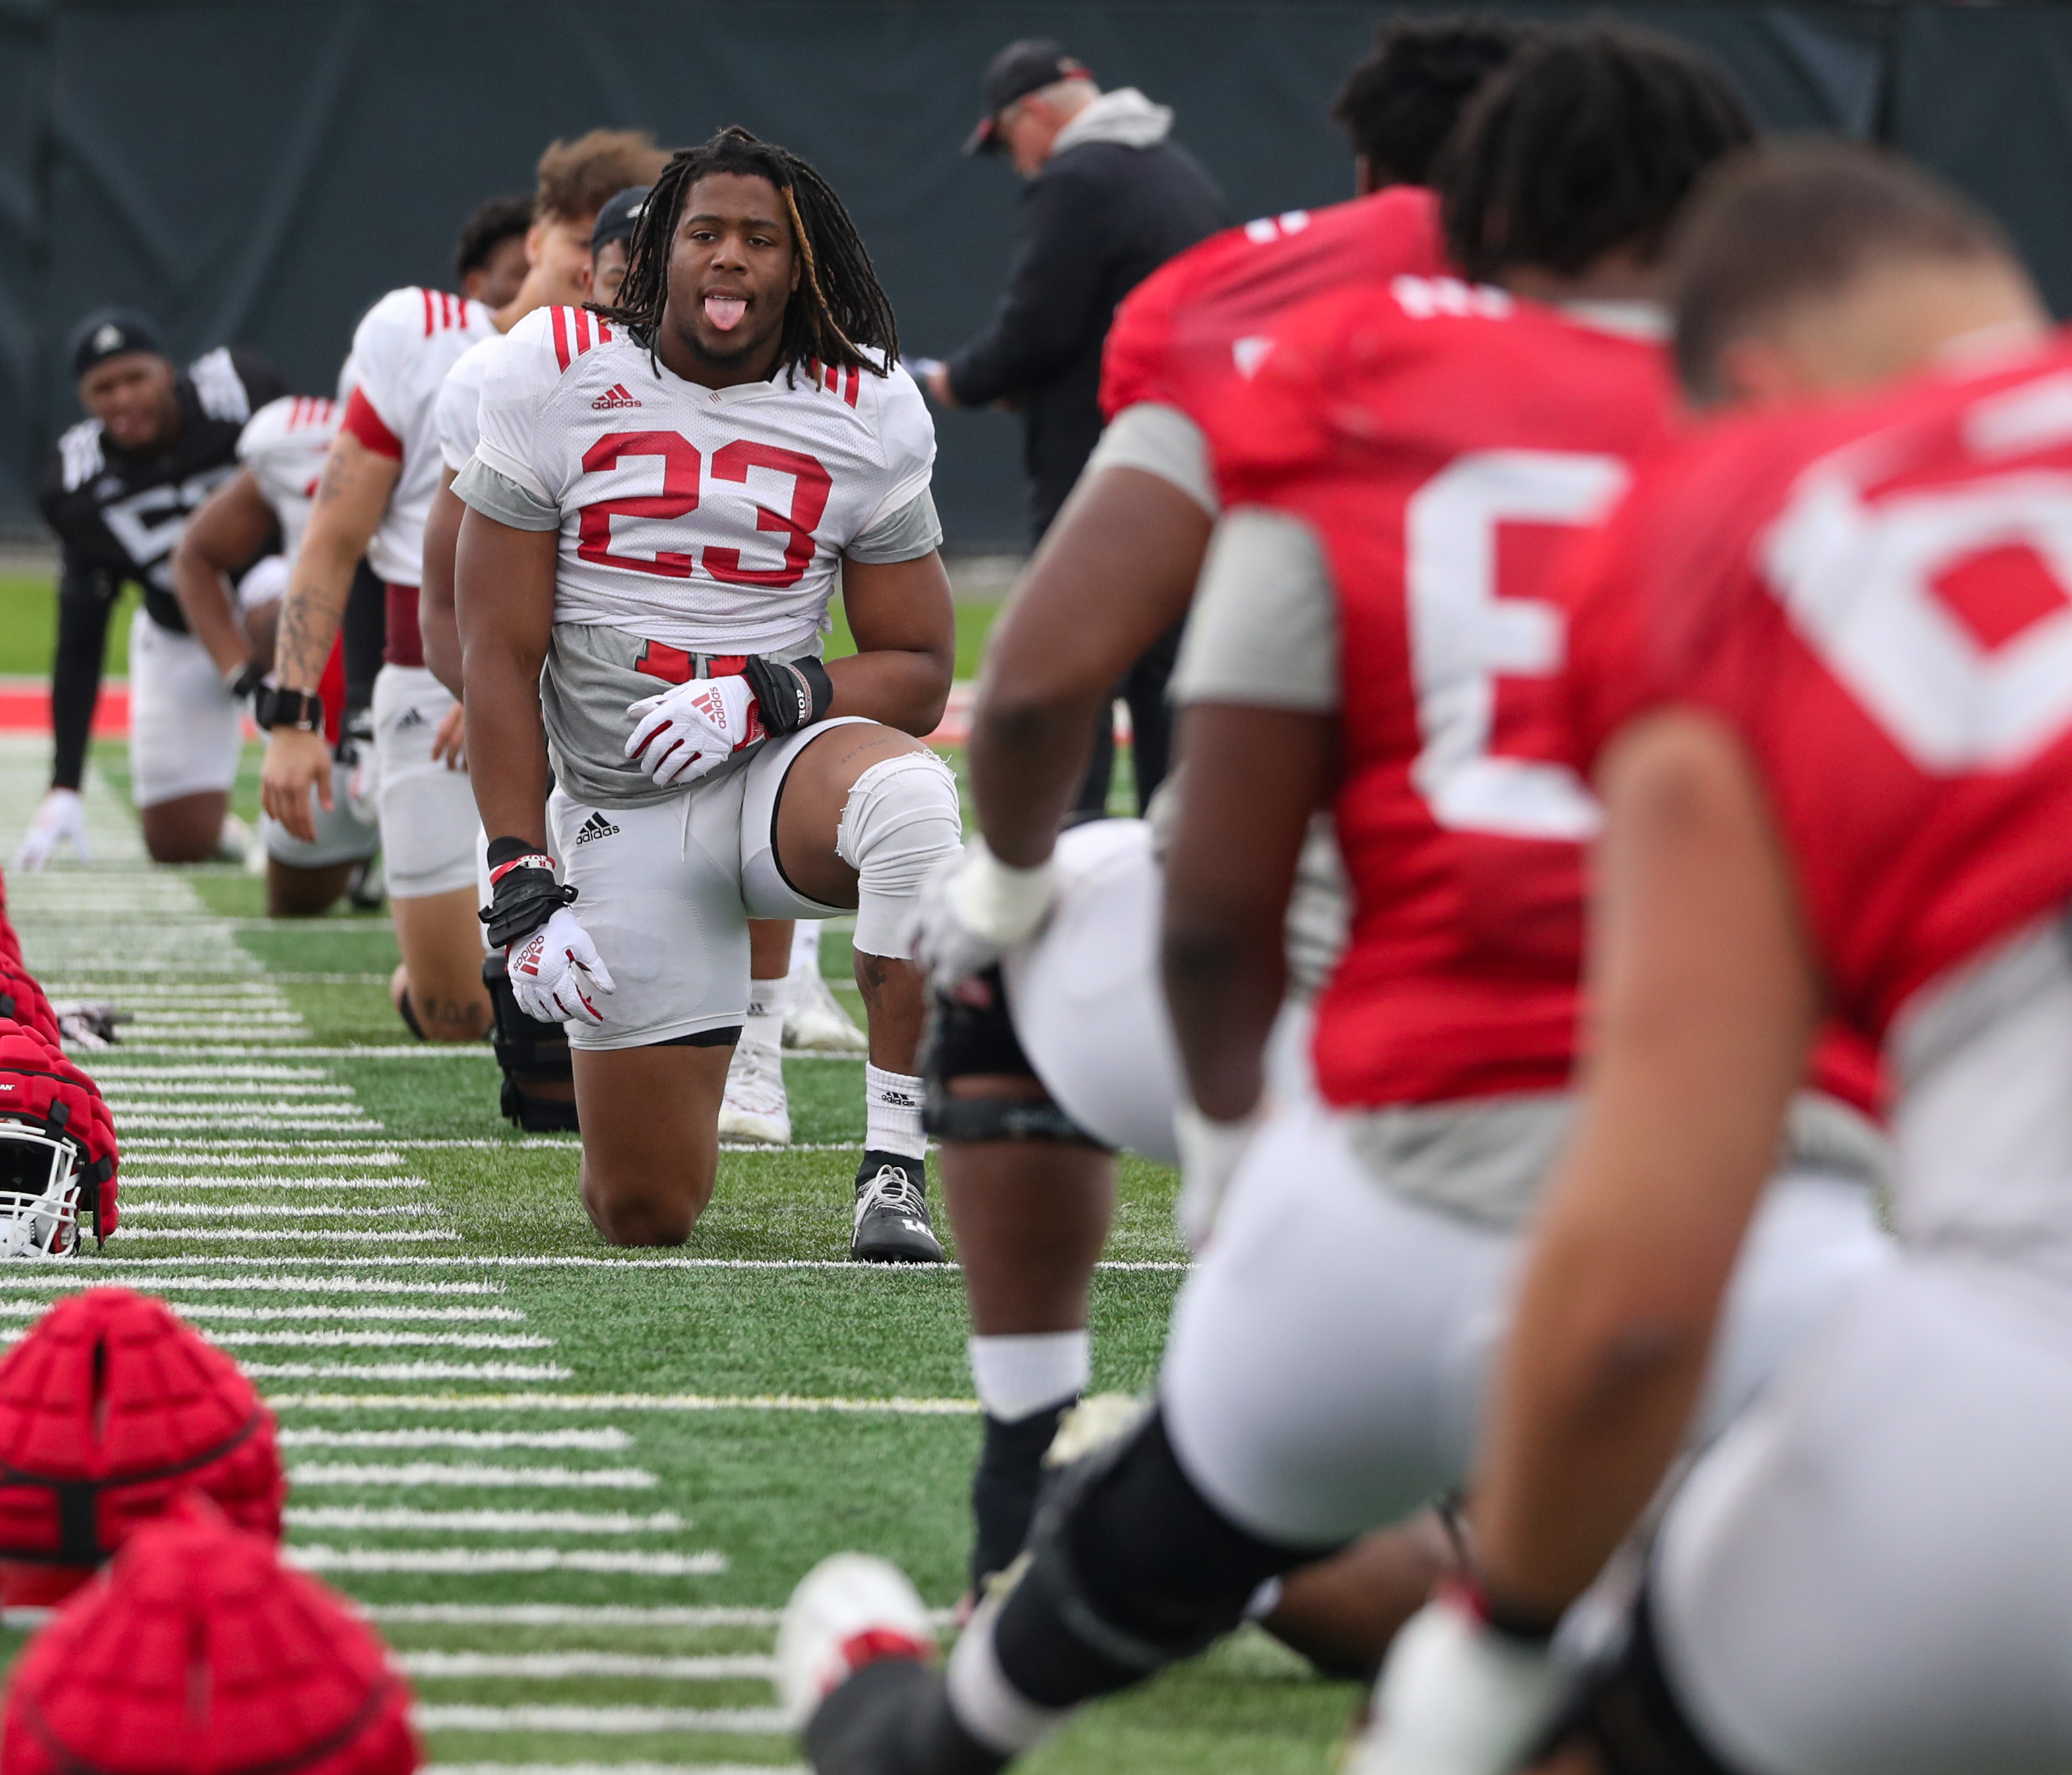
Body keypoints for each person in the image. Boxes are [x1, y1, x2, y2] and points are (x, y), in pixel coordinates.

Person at [773, 30, 1893, 1772]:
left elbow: (1169, 818)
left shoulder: (1329, 367)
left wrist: (1236, 1169)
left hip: (1388, 1176)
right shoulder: (1854, 428)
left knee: (1016, 970)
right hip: (1767, 1217)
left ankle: (979, 1651)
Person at [1352, 142, 2072, 1775]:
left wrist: (1497, 1642)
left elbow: (1638, 1292)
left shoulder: (1730, 521)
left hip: (2027, 1438)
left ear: (1745, 388)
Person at [912, 11, 1528, 1613]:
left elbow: (1041, 688)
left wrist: (1000, 889)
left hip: (1356, 1046)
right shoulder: (1724, 333)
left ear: (1372, 171)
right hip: (1682, 1090)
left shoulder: (1265, 307)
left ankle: (1031, 1498)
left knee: (988, 957)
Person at [453, 127, 965, 1261]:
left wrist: (765, 693)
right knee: (644, 1211)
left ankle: (893, 1167)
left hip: (777, 773)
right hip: (620, 805)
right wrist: (516, 875)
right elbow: (494, 646)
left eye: (758, 239)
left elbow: (920, 666)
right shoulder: (554, 365)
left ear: (801, 264)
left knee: (915, 806)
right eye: (705, 233)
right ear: (660, 251)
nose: (729, 258)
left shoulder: (863, 400)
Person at [260, 147, 663, 1044]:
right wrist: (292, 713)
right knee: (460, 1013)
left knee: (610, 1000)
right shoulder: (426, 334)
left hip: (587, 691)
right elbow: (335, 535)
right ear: (541, 239)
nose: (613, 274)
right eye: (586, 241)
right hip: (431, 680)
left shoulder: (663, 367)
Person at [929, 37, 1226, 818]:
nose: (1016, 165)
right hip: (1189, 470)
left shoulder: (1077, 179)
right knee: (1165, 679)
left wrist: (960, 380)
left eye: (1007, 145)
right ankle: (1170, 870)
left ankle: (1075, 862)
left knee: (1072, 674)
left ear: (1030, 115)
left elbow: (1037, 325)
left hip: (1095, 471)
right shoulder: (1177, 173)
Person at [24, 309, 287, 869]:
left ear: (168, 371)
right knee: (177, 844)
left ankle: (337, 778)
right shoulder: (77, 482)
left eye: (134, 378)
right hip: (179, 633)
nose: (122, 398)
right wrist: (64, 783)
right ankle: (228, 833)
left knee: (278, 612)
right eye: (103, 388)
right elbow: (80, 638)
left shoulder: (238, 395)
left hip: (274, 602)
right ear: (84, 399)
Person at [170, 393, 386, 917]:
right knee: (293, 904)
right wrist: (246, 681)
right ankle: (357, 851)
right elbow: (196, 555)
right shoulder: (297, 440)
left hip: (447, 684)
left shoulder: (491, 410)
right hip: (334, 698)